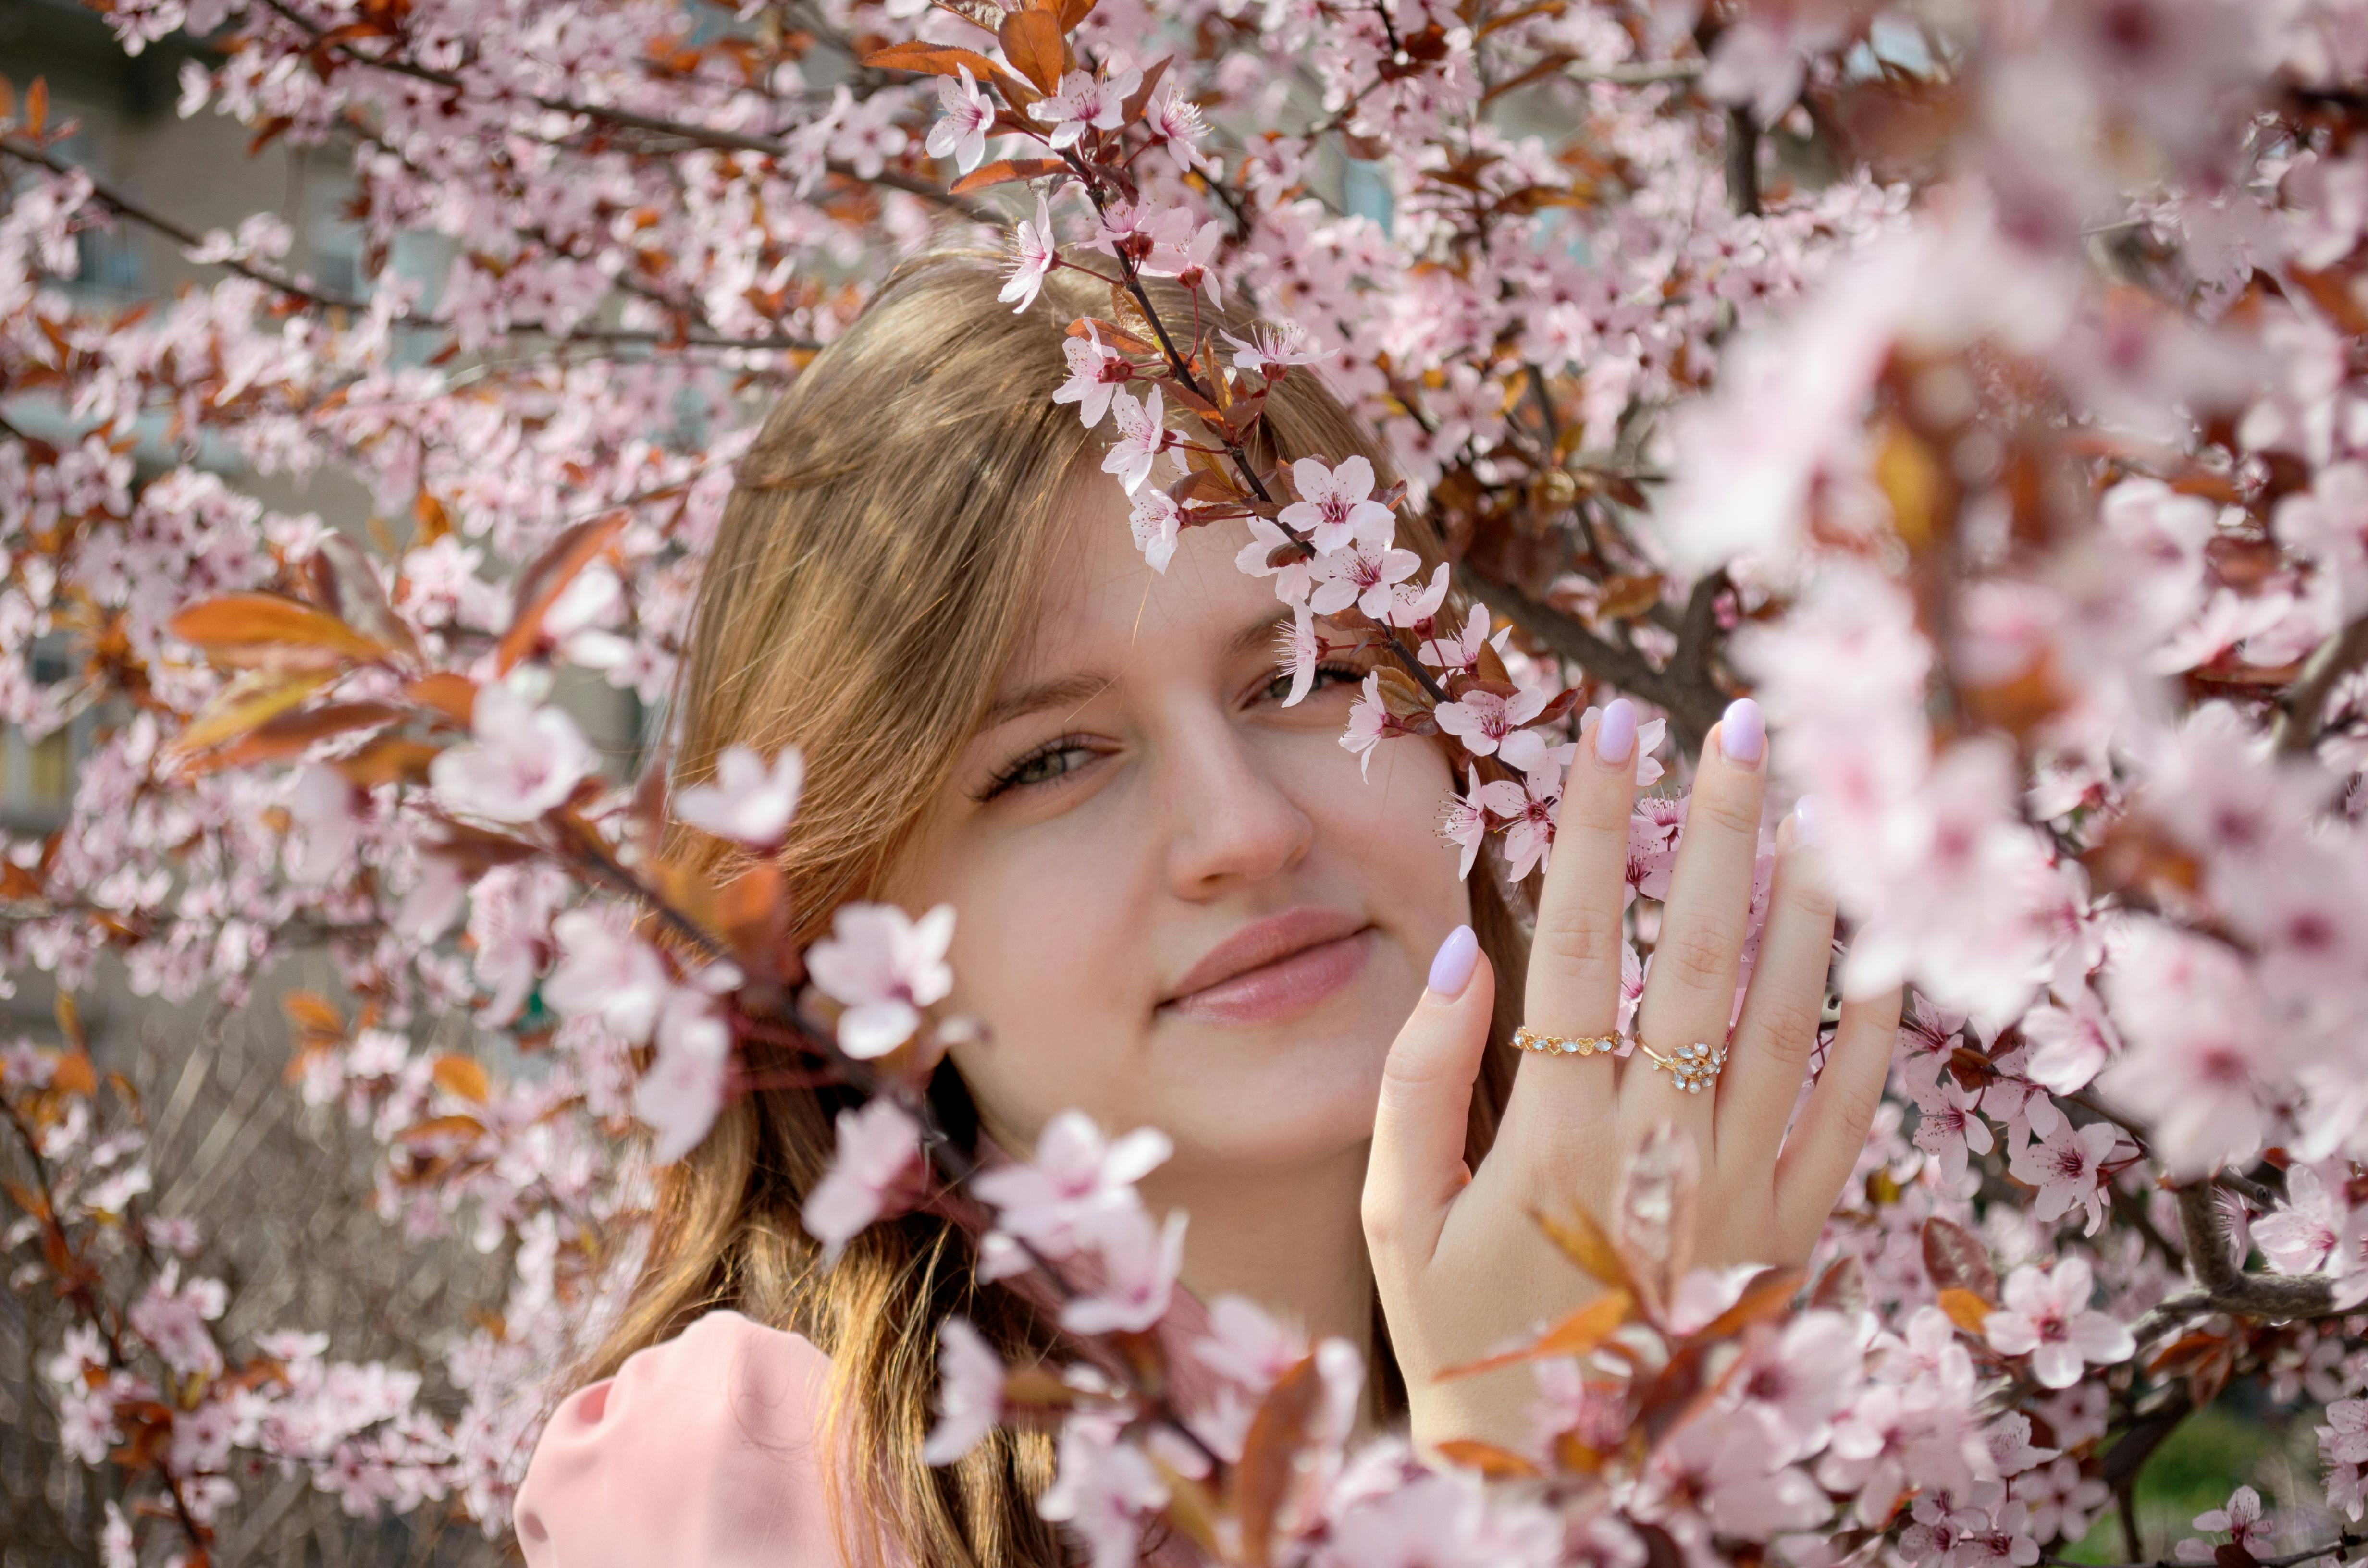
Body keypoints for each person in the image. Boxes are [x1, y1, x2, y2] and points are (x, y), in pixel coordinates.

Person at [510, 252, 1902, 1568]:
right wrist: (1534, 1486)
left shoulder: (1776, 1371)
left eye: (1303, 679)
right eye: (1049, 760)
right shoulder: (764, 1463)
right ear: (849, 938)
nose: (1245, 829)